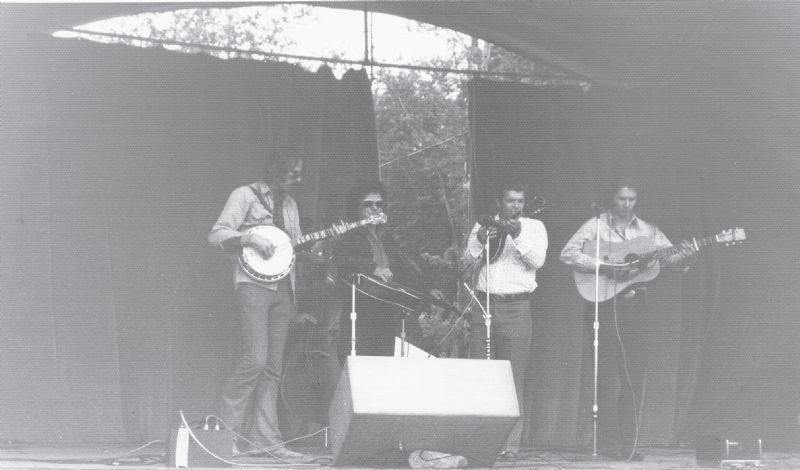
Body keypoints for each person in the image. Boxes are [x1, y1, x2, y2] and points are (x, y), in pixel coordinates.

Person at [560, 182, 696, 461]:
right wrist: (606, 266)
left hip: (635, 306)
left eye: (632, 199)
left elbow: (670, 260)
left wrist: (684, 257)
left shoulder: (648, 231)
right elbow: (568, 254)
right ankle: (609, 445)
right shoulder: (595, 225)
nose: (627, 204)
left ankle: (628, 445)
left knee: (633, 376)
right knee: (608, 377)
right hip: (603, 304)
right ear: (611, 198)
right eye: (622, 198)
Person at [208, 154, 307, 460]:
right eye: (294, 173)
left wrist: (311, 247)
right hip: (253, 286)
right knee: (255, 360)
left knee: (273, 368)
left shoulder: (290, 204)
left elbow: (293, 245)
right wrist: (249, 238)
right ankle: (223, 438)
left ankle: (267, 442)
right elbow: (217, 234)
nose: (299, 179)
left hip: (284, 288)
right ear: (277, 172)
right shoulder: (245, 195)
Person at [463, 183, 548, 458]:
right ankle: (480, 442)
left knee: (513, 377)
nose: (516, 206)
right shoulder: (484, 226)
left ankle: (509, 447)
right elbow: (466, 264)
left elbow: (537, 261)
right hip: (485, 303)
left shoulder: (534, 227)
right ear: (498, 201)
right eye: (510, 200)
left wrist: (518, 234)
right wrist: (480, 239)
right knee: (481, 374)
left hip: (516, 305)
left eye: (520, 201)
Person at [332, 181, 425, 364]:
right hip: (360, 313)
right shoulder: (348, 235)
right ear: (357, 208)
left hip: (386, 313)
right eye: (368, 204)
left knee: (382, 367)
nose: (375, 208)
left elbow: (402, 267)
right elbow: (345, 260)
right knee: (359, 368)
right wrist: (374, 268)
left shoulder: (387, 237)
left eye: (379, 204)